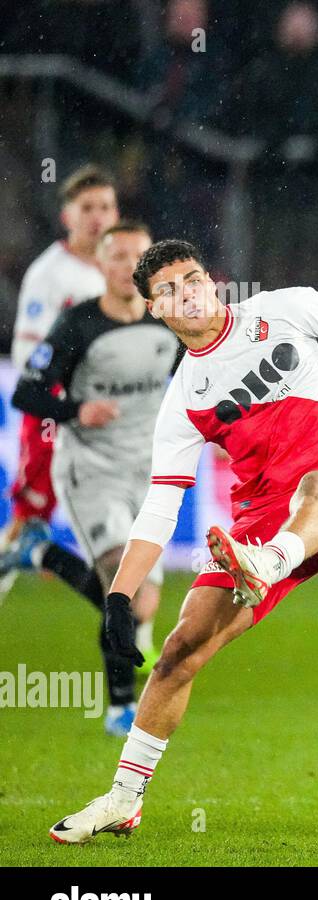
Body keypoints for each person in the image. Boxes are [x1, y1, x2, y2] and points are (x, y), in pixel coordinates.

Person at [49, 239, 318, 843]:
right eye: (167, 290)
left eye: (191, 279)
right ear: (154, 309)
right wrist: (118, 598)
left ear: (211, 282)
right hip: (258, 525)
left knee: (317, 489)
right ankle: (123, 798)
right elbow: (160, 507)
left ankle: (268, 563)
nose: (185, 293)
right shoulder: (184, 402)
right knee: (178, 651)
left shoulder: (282, 311)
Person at [11, 223, 174, 733]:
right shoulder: (77, 325)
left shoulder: (168, 321)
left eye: (138, 257)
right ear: (100, 266)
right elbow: (27, 394)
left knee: (141, 603)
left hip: (149, 472)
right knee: (118, 587)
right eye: (117, 257)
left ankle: (41, 554)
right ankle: (121, 706)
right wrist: (76, 409)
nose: (128, 266)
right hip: (91, 471)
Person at [2, 166, 119, 609]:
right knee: (31, 517)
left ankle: (132, 625)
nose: (98, 217)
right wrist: (67, 401)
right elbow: (28, 356)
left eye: (106, 207)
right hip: (58, 413)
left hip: (113, 413)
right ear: (67, 216)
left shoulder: (123, 269)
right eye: (87, 208)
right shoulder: (49, 274)